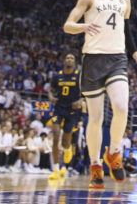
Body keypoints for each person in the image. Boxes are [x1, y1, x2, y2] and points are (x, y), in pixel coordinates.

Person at [62, 0, 137, 188]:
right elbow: (68, 25)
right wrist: (83, 26)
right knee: (96, 119)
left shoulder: (124, 0)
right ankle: (95, 165)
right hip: (92, 59)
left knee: (121, 107)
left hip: (117, 58)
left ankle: (114, 152)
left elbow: (127, 33)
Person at [47, 53, 83, 181]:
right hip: (59, 108)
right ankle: (55, 169)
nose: (69, 59)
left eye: (72, 58)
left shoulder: (79, 75)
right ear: (64, 61)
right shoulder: (57, 76)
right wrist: (51, 97)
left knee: (65, 141)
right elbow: (50, 90)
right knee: (56, 135)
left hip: (72, 111)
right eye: (67, 57)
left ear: (74, 62)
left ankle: (65, 161)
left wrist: (81, 100)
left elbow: (85, 91)